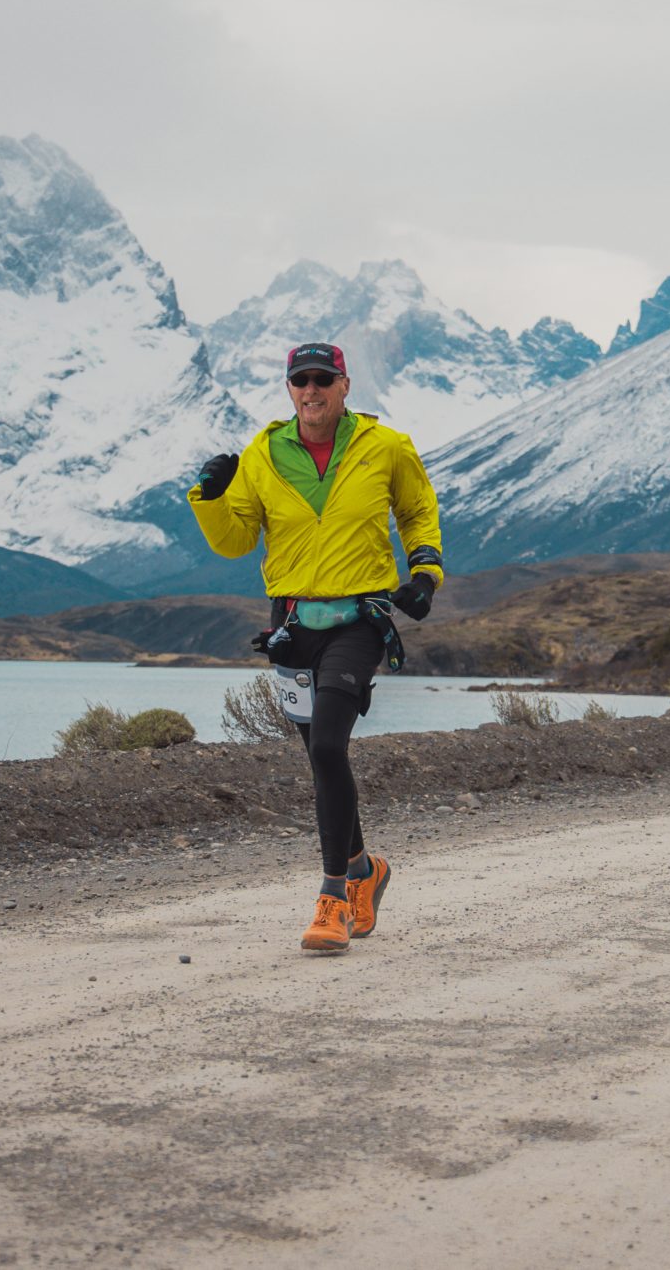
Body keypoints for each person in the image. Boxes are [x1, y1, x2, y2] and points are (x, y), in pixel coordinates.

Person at [188, 342, 444, 953]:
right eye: (301, 381)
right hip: (292, 624)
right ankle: (365, 870)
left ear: (345, 385)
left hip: (360, 618)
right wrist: (209, 498)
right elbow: (235, 541)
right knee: (320, 758)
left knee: (329, 744)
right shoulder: (264, 454)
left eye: (323, 380)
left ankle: (332, 900)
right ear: (289, 389)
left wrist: (426, 572)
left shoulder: (385, 447)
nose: (312, 391)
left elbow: (416, 511)